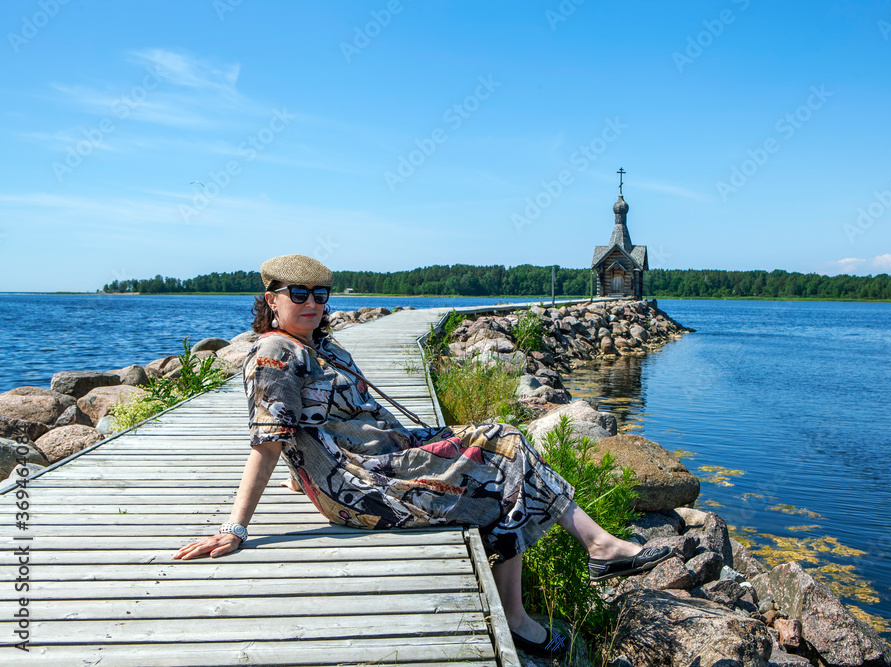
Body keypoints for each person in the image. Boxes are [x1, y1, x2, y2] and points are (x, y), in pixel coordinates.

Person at [174, 254, 676, 658]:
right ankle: (582, 562)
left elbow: (315, 427)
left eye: (320, 294)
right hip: (364, 484)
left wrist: (299, 471)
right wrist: (236, 528)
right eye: (298, 294)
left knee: (505, 451)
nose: (312, 303)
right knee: (502, 454)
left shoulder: (316, 343)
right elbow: (268, 438)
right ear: (271, 298)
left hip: (388, 455)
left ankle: (538, 598)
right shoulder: (275, 354)